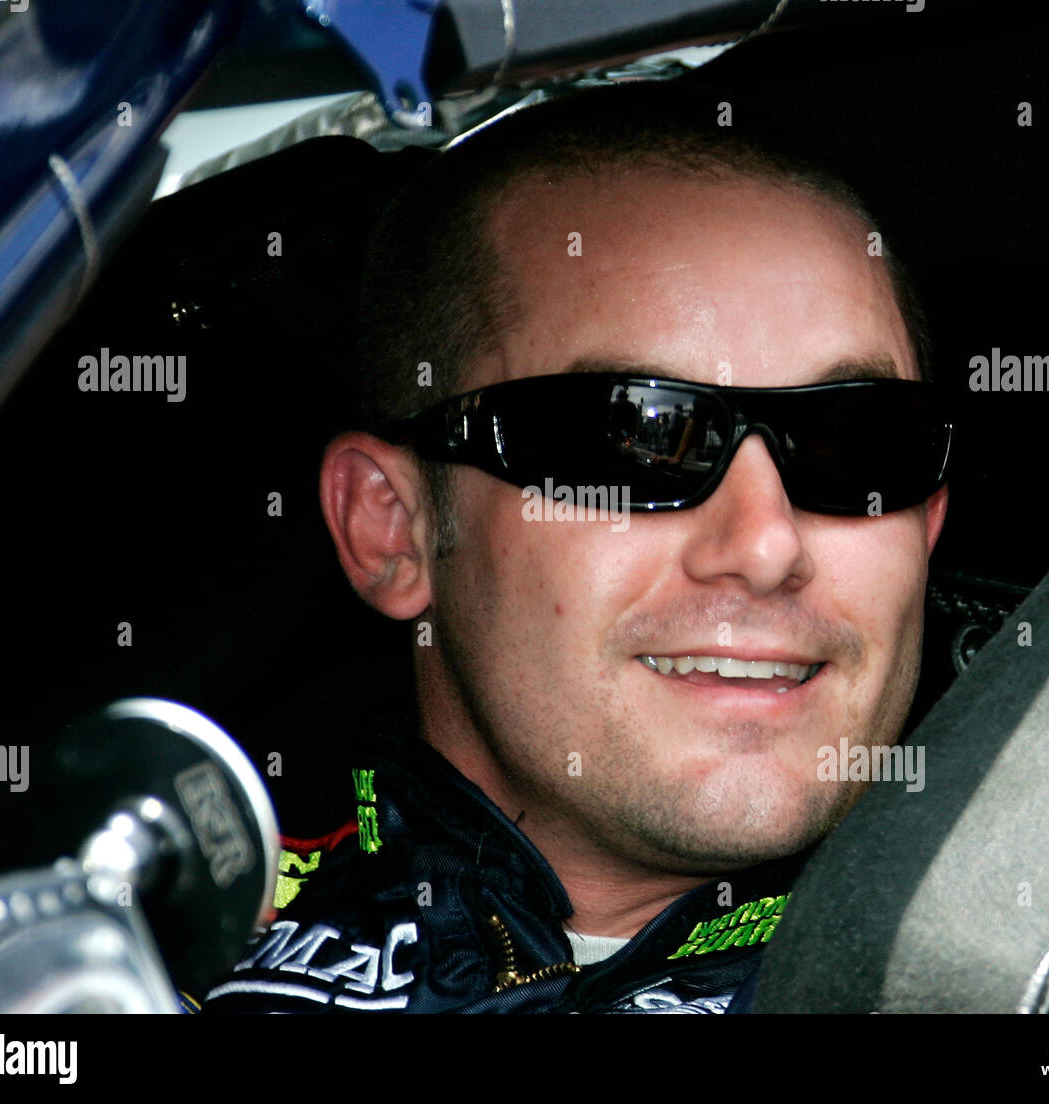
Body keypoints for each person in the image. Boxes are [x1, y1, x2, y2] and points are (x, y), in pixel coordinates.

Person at [202, 79, 951, 1014]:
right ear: (392, 526)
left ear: (929, 518)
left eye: (854, 442)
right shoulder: (116, 952)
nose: (765, 545)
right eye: (636, 437)